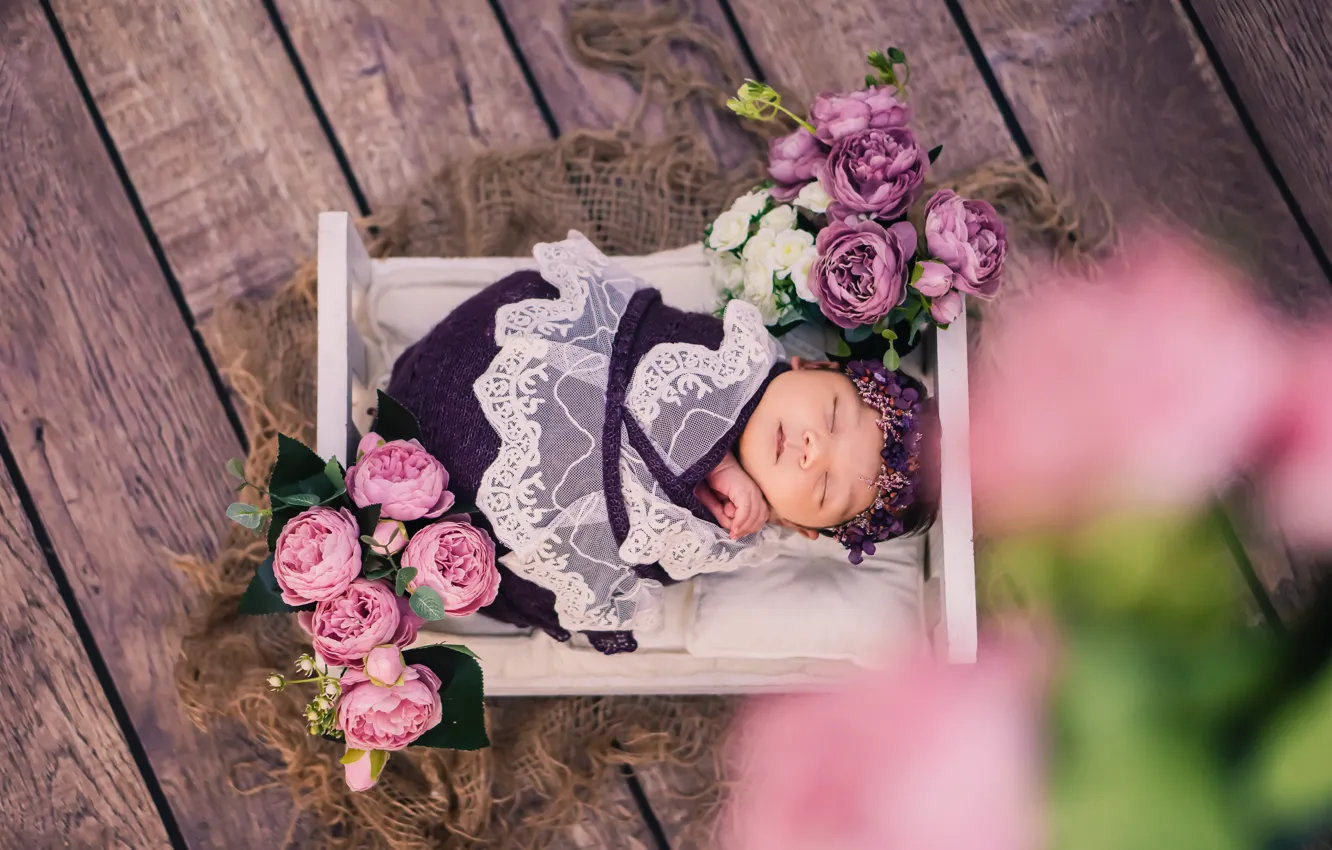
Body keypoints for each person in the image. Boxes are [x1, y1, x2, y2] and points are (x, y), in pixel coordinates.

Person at [387, 232, 934, 654]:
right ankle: (415, 438)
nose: (813, 449)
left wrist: (701, 503)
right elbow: (657, 361)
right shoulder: (735, 351)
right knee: (523, 363)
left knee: (533, 560)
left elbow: (649, 557)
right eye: (834, 413)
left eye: (822, 487)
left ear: (797, 525)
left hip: (484, 520)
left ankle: (403, 519)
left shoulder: (737, 536)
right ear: (809, 365)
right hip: (521, 372)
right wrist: (716, 460)